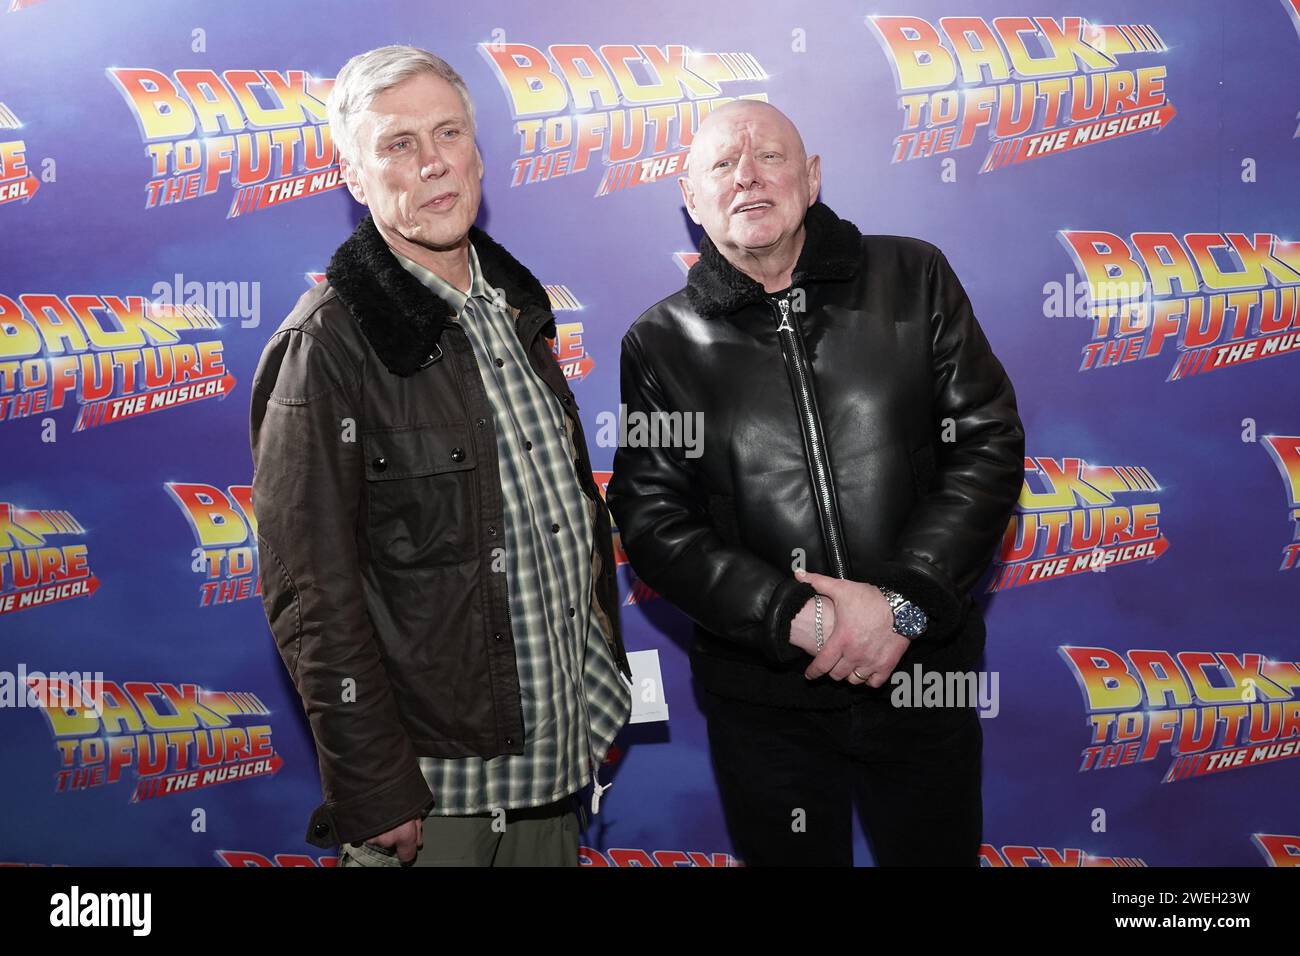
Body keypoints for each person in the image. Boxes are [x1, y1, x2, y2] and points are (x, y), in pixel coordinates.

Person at [606, 100, 1025, 866]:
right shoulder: (660, 342)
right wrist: (799, 617)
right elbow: (653, 519)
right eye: (722, 166)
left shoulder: (914, 277)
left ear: (813, 176)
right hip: (766, 703)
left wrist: (900, 606)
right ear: (691, 201)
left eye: (769, 156)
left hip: (921, 678)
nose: (748, 178)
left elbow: (985, 444)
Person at [249, 45, 631, 868]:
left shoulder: (515, 307)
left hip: (557, 769)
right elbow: (307, 588)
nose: (431, 163)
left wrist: (602, 693)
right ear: (353, 176)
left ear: (477, 150)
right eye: (396, 145)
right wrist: (375, 785)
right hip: (435, 801)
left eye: (447, 132)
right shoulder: (326, 344)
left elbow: (556, 525)